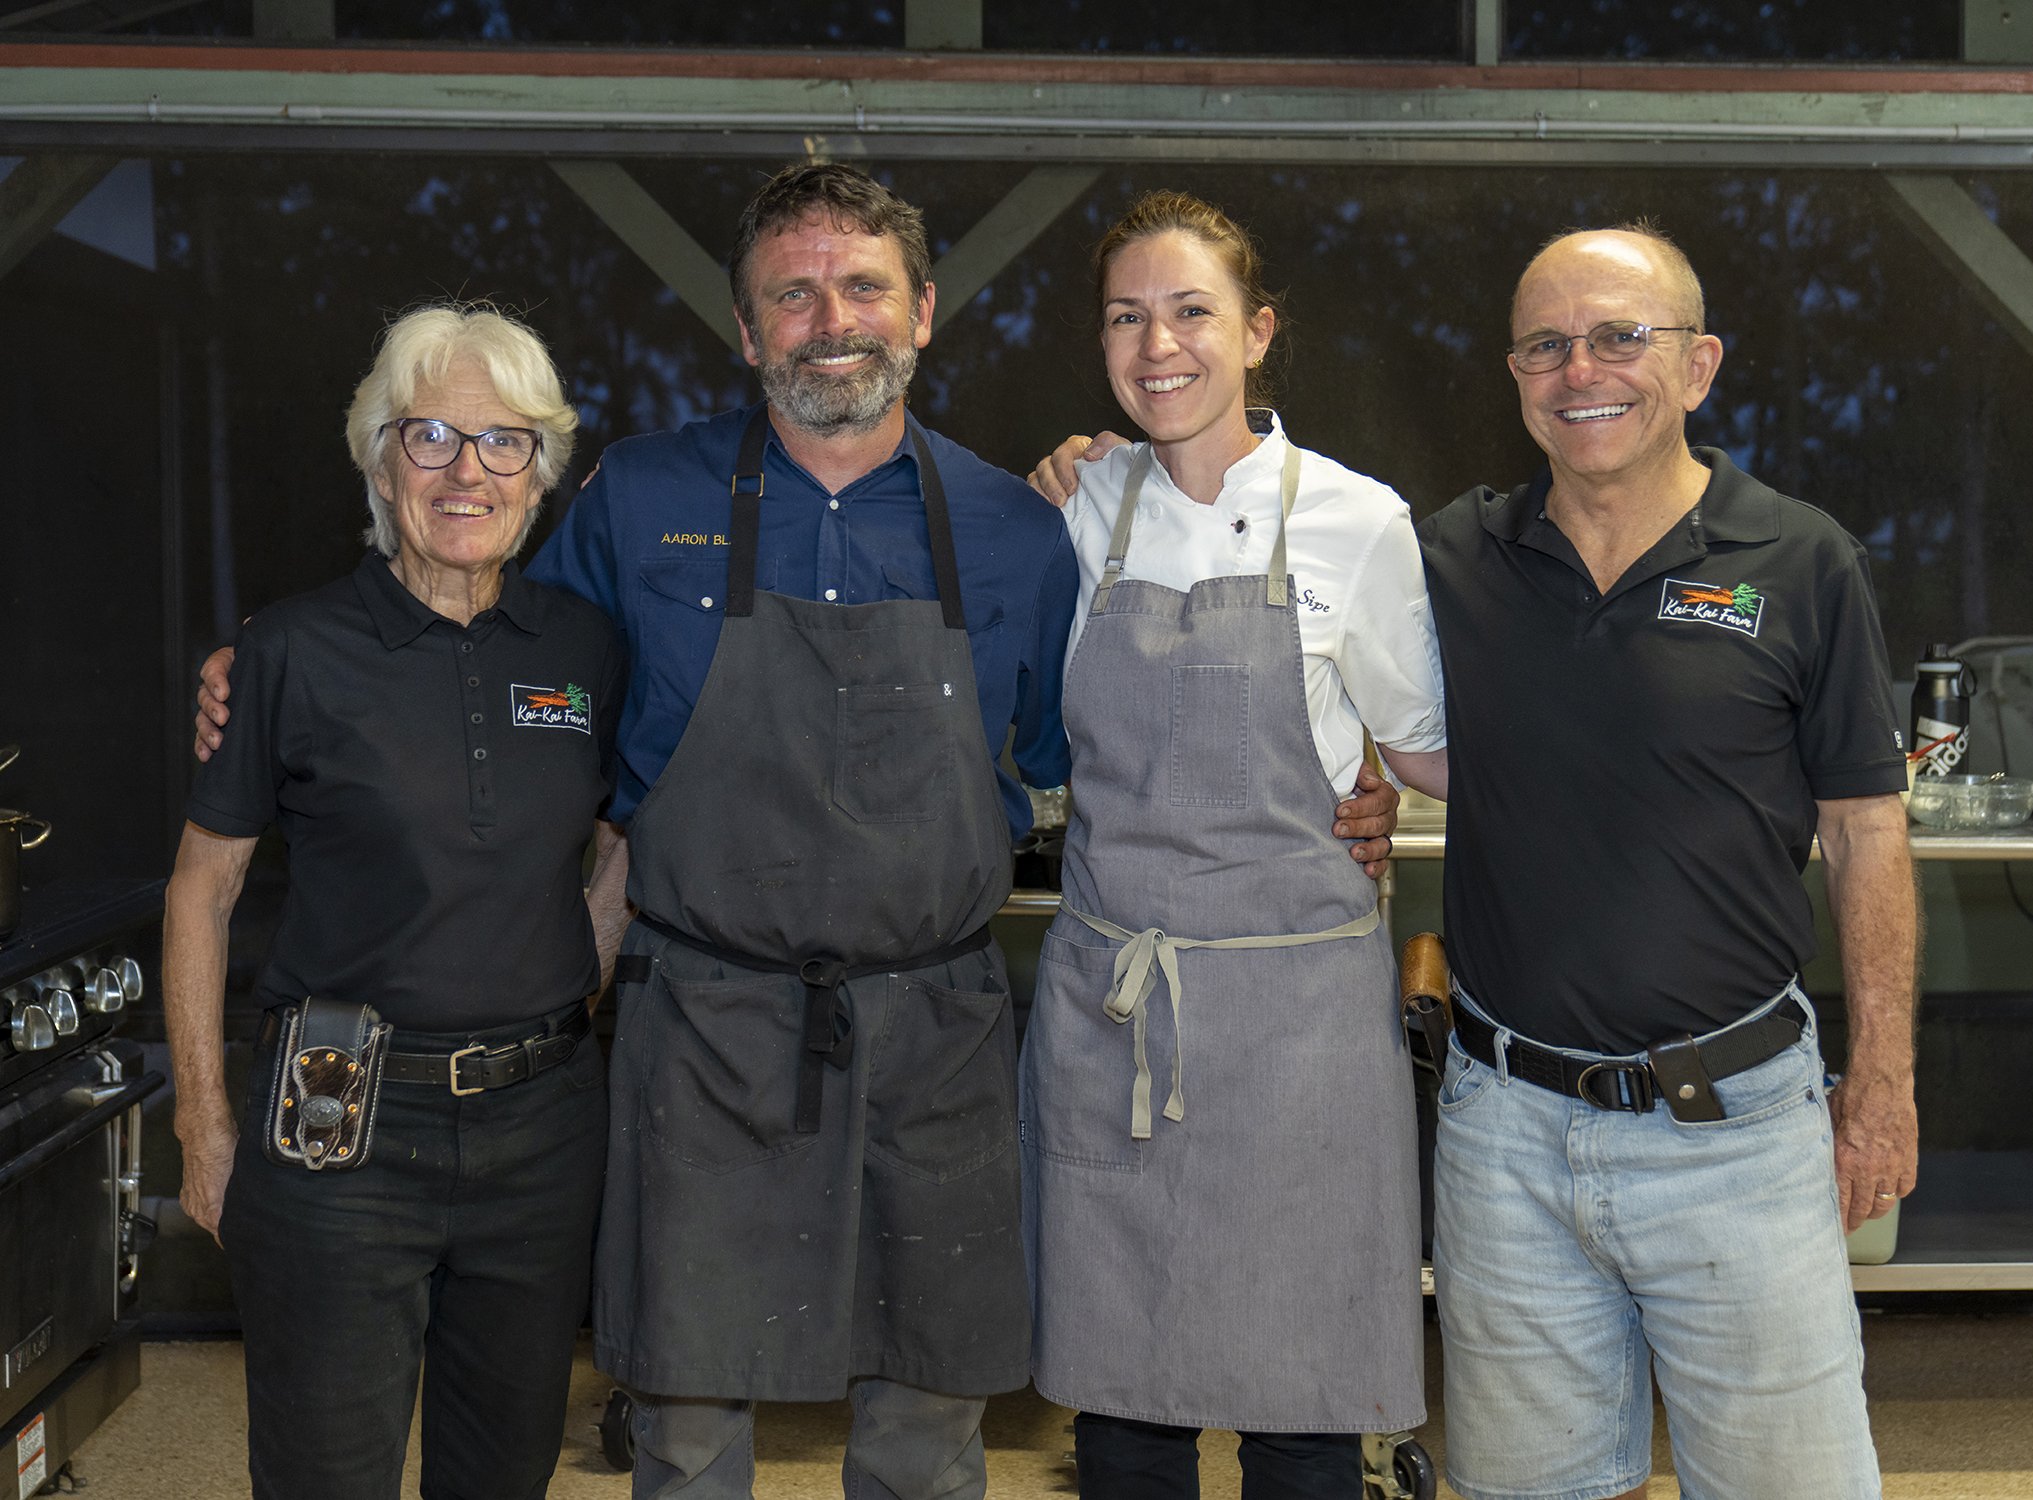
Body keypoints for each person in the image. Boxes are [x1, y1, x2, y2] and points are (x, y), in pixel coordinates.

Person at [194, 163, 1403, 1500]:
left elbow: (1104, 752)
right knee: (690, 1426)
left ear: (923, 310)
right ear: (746, 321)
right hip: (702, 1026)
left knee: (928, 1425)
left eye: (864, 287)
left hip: (934, 1026)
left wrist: (1340, 784)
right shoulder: (634, 500)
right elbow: (490, 653)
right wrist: (274, 666)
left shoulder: (1017, 530)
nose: (833, 320)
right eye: (794, 292)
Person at [1418, 224, 1919, 1500]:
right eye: (1547, 343)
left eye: (1618, 337)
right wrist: (1097, 479)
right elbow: (1300, 597)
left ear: (1697, 367)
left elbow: (1867, 830)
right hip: (1504, 1136)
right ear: (1516, 372)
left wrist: (1882, 1086)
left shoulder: (1803, 562)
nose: (1579, 367)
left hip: (1736, 1135)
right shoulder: (1449, 559)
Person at [162, 302, 628, 1500]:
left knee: (501, 1473)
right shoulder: (292, 652)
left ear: (541, 470)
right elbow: (201, 894)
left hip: (541, 1135)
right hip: (336, 1133)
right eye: (429, 436)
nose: (466, 470)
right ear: (380, 460)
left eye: (503, 441)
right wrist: (206, 1126)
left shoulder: (584, 648)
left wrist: (581, 981)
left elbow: (621, 838)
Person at [1023, 191, 1447, 1500]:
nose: (1159, 346)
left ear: (1257, 332)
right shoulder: (1077, 508)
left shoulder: (1357, 522)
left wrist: (1386, 791)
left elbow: (1432, 755)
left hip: (1301, 1033)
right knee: (1119, 1393)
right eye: (1127, 317)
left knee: (1303, 1397)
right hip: (1116, 1009)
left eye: (1191, 311)